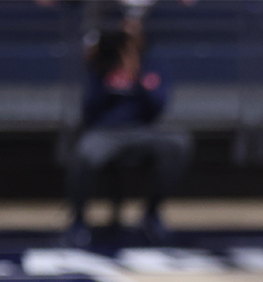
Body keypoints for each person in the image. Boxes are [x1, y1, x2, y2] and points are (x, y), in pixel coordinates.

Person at [65, 25, 194, 246]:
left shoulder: (152, 68)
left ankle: (151, 214)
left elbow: (157, 108)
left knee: (178, 143)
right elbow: (88, 111)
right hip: (105, 133)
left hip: (142, 131)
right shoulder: (100, 66)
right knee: (85, 153)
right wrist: (104, 76)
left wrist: (137, 78)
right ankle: (78, 221)